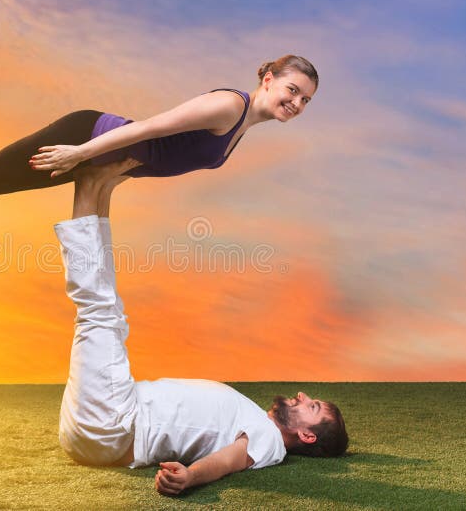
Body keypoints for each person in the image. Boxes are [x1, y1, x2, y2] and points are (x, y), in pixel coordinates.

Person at [56, 157, 348, 497]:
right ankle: (101, 188)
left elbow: (227, 461)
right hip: (114, 414)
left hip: (112, 423)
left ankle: (88, 184)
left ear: (307, 436)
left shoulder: (269, 442)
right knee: (110, 313)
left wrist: (190, 477)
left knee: (99, 310)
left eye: (311, 407)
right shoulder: (255, 420)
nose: (302, 396)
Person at [0, 55, 317, 232]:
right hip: (84, 137)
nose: (295, 102)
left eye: (305, 100)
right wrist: (81, 153)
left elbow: (156, 158)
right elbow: (152, 127)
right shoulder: (229, 106)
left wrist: (108, 180)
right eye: (292, 89)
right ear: (269, 78)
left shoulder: (241, 130)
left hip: (96, 156)